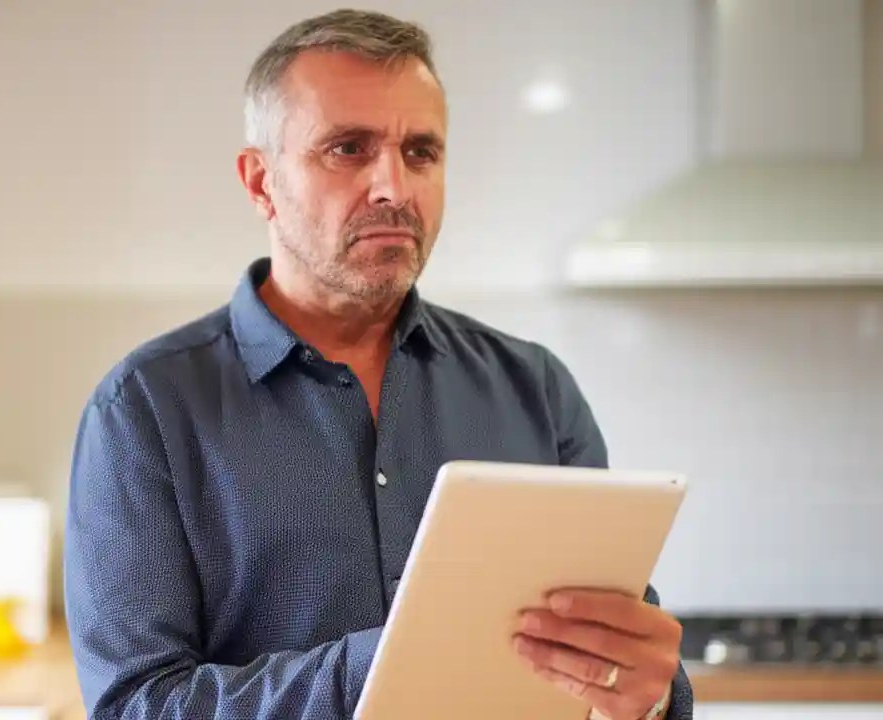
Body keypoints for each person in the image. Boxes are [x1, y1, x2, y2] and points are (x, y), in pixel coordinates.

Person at [64, 9, 692, 720]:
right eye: (348, 149)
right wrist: (384, 664)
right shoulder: (144, 410)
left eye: (421, 152)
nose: (394, 188)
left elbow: (614, 660)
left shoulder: (537, 391)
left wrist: (646, 698)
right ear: (260, 182)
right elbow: (133, 707)